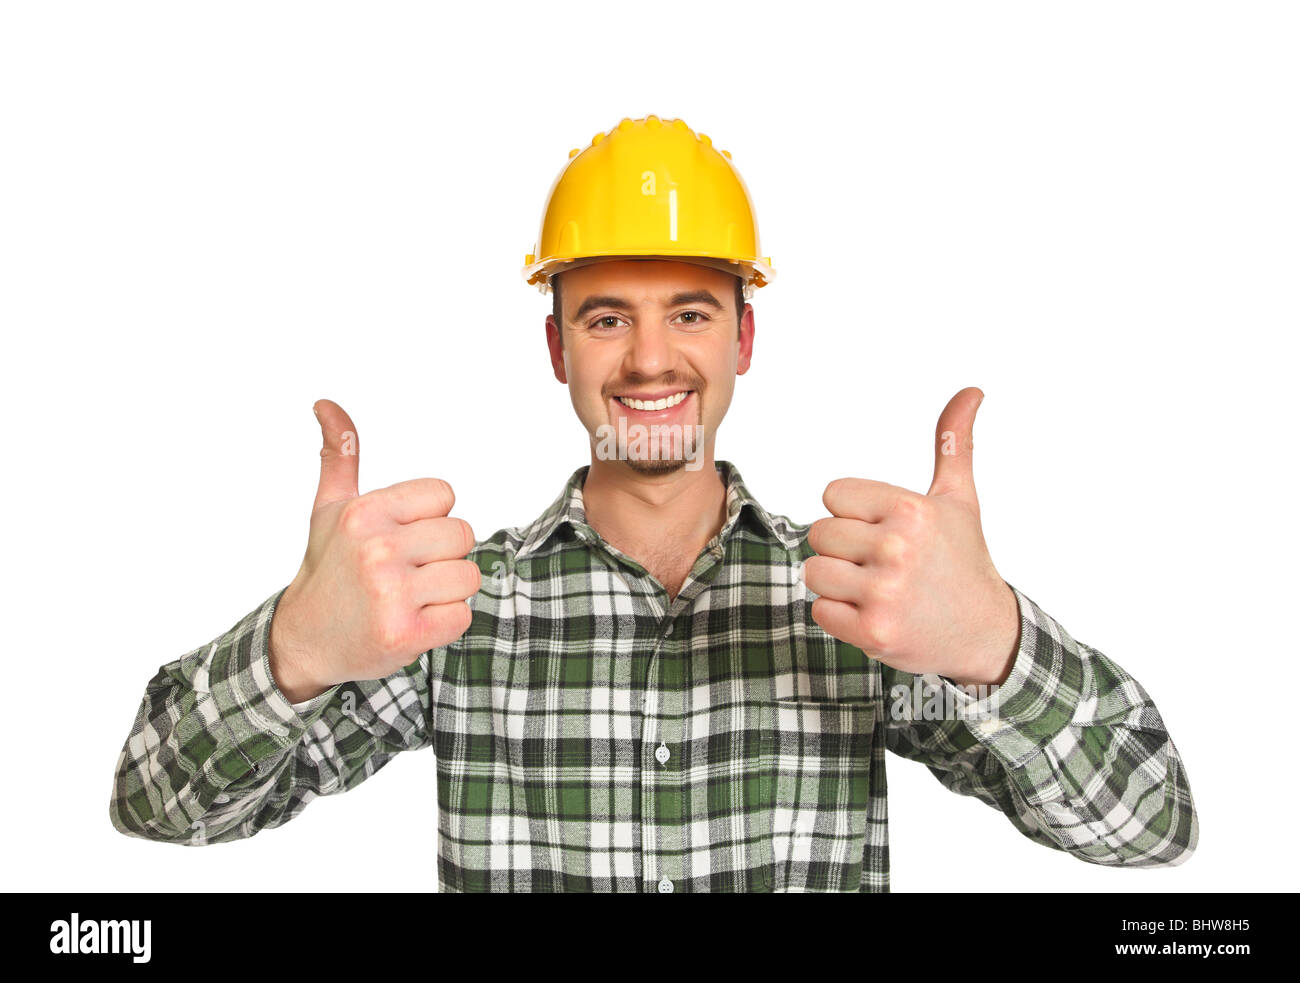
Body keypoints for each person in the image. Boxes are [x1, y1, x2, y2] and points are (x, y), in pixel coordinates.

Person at [110, 114, 1198, 892]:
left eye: (689, 312)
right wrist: (294, 649)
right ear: (556, 348)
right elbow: (159, 806)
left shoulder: (863, 602)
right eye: (604, 318)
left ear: (743, 338)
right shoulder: (455, 610)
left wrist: (996, 644)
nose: (647, 358)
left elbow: (1150, 828)